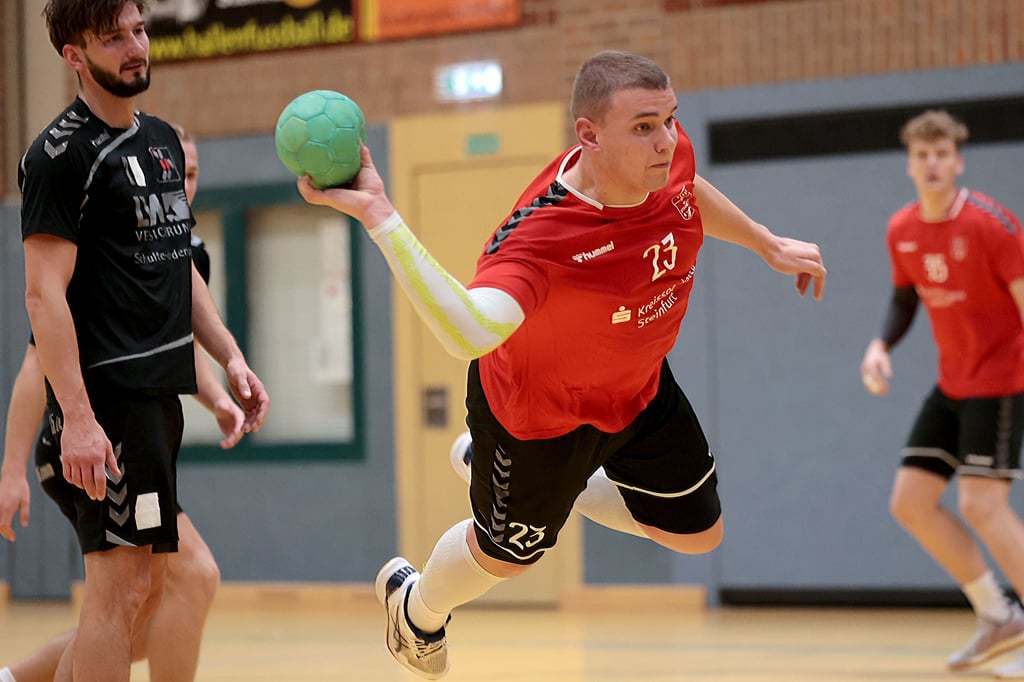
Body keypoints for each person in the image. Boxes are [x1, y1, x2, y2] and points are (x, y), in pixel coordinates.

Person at [298, 49, 826, 679]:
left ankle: (527, 480)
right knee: (507, 556)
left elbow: (689, 192)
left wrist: (765, 242)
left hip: (636, 389)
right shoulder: (542, 238)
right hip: (536, 418)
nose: (666, 141)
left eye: (670, 119)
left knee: (698, 533)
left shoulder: (665, 158)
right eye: (643, 127)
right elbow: (467, 331)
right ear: (589, 136)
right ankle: (415, 611)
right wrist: (382, 218)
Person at [15, 2, 269, 681]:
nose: (136, 47)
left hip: (158, 403)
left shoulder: (159, 143)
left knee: (141, 590)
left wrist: (229, 357)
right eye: (114, 38)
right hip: (108, 404)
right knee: (120, 593)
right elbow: (43, 298)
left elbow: (178, 268)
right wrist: (76, 418)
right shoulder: (58, 157)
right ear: (74, 55)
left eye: (139, 30)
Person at [0, 124, 240, 682]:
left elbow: (176, 344)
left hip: (138, 429)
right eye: (176, 173)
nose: (184, 184)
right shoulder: (110, 251)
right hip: (88, 438)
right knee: (180, 580)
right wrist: (12, 469)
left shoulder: (186, 253)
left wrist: (220, 397)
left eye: (193, 174)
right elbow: (38, 362)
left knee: (140, 604)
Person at [859, 109, 1024, 679]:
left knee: (982, 503)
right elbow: (906, 298)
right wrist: (880, 346)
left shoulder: (991, 225)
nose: (931, 163)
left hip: (1003, 380)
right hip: (953, 383)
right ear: (910, 164)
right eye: (922, 154)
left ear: (958, 161)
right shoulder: (901, 229)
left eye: (941, 153)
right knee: (910, 502)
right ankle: (997, 614)